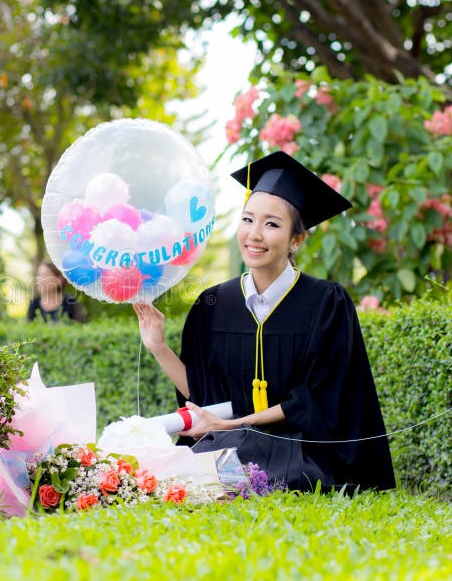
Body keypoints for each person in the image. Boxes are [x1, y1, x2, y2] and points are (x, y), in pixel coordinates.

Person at [134, 151, 395, 492]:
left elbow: (320, 400)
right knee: (187, 472)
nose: (254, 234)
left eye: (271, 224)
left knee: (291, 475)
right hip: (231, 443)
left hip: (301, 447)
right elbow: (203, 395)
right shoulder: (213, 304)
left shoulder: (326, 302)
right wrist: (157, 346)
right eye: (247, 219)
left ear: (295, 240)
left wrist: (240, 424)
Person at [27, 259, 87, 323]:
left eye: (45, 275)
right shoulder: (34, 304)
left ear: (59, 279)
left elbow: (79, 327)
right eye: (38, 275)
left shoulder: (70, 302)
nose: (40, 280)